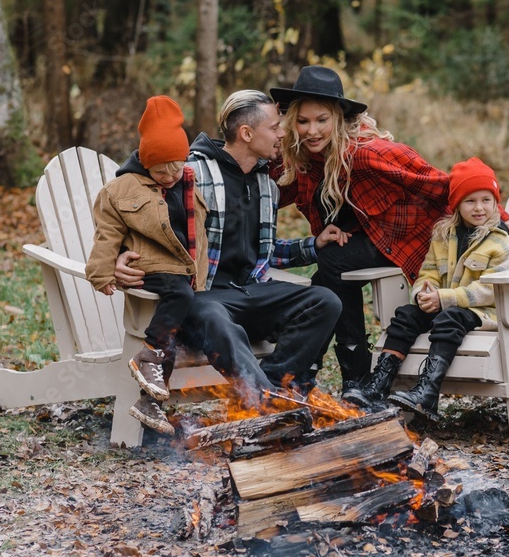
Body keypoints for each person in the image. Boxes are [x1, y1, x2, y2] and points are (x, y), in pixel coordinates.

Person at [270, 66, 509, 395]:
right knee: (324, 282)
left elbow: (442, 184)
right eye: (303, 121)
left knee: (330, 264)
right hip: (367, 242)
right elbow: (265, 186)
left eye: (321, 120)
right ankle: (328, 380)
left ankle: (335, 377)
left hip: (413, 244)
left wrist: (498, 214)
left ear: (339, 119)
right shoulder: (303, 161)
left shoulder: (371, 154)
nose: (312, 130)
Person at [113, 90, 344, 407]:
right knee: (215, 315)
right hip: (202, 299)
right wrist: (119, 254)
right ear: (247, 133)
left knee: (324, 300)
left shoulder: (265, 182)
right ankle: (263, 401)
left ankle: (274, 388)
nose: (282, 133)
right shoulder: (193, 171)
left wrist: (312, 246)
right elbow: (132, 184)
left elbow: (263, 252)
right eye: (275, 126)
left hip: (250, 293)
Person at [344, 157, 509, 421]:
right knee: (407, 314)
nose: (479, 207)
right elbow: (429, 273)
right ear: (457, 205)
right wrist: (424, 294)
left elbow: (490, 290)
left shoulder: (500, 242)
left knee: (450, 317)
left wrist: (444, 298)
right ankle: (378, 386)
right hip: (444, 304)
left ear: (496, 203)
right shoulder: (443, 236)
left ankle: (427, 393)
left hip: (485, 313)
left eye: (486, 200)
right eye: (470, 201)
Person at [85, 96, 206, 435]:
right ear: (144, 161)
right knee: (179, 299)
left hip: (183, 270)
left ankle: (149, 401)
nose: (169, 174)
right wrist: (101, 270)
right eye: (160, 168)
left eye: (175, 165)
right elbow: (107, 233)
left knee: (175, 319)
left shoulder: (189, 182)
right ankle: (149, 353)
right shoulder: (121, 190)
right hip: (149, 267)